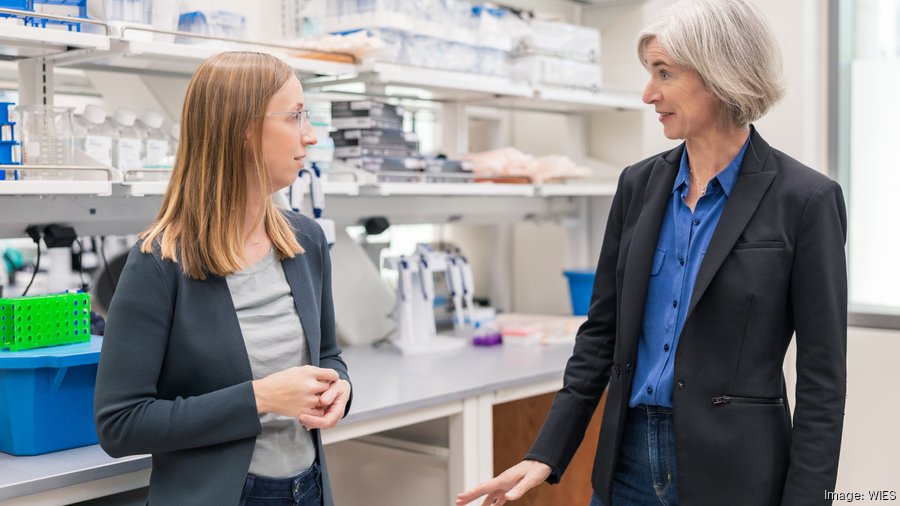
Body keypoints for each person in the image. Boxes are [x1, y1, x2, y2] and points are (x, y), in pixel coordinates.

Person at [457, 1, 847, 505]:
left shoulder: (806, 199)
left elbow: (823, 379)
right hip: (627, 463)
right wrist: (547, 452)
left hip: (737, 475)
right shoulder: (638, 185)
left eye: (665, 73)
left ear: (720, 75)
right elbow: (600, 335)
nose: (648, 94)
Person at [94, 51, 351, 506]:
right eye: (294, 117)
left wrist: (340, 387)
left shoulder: (305, 241)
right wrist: (260, 398)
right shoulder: (160, 261)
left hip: (307, 488)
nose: (310, 136)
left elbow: (328, 355)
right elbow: (121, 424)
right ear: (243, 131)